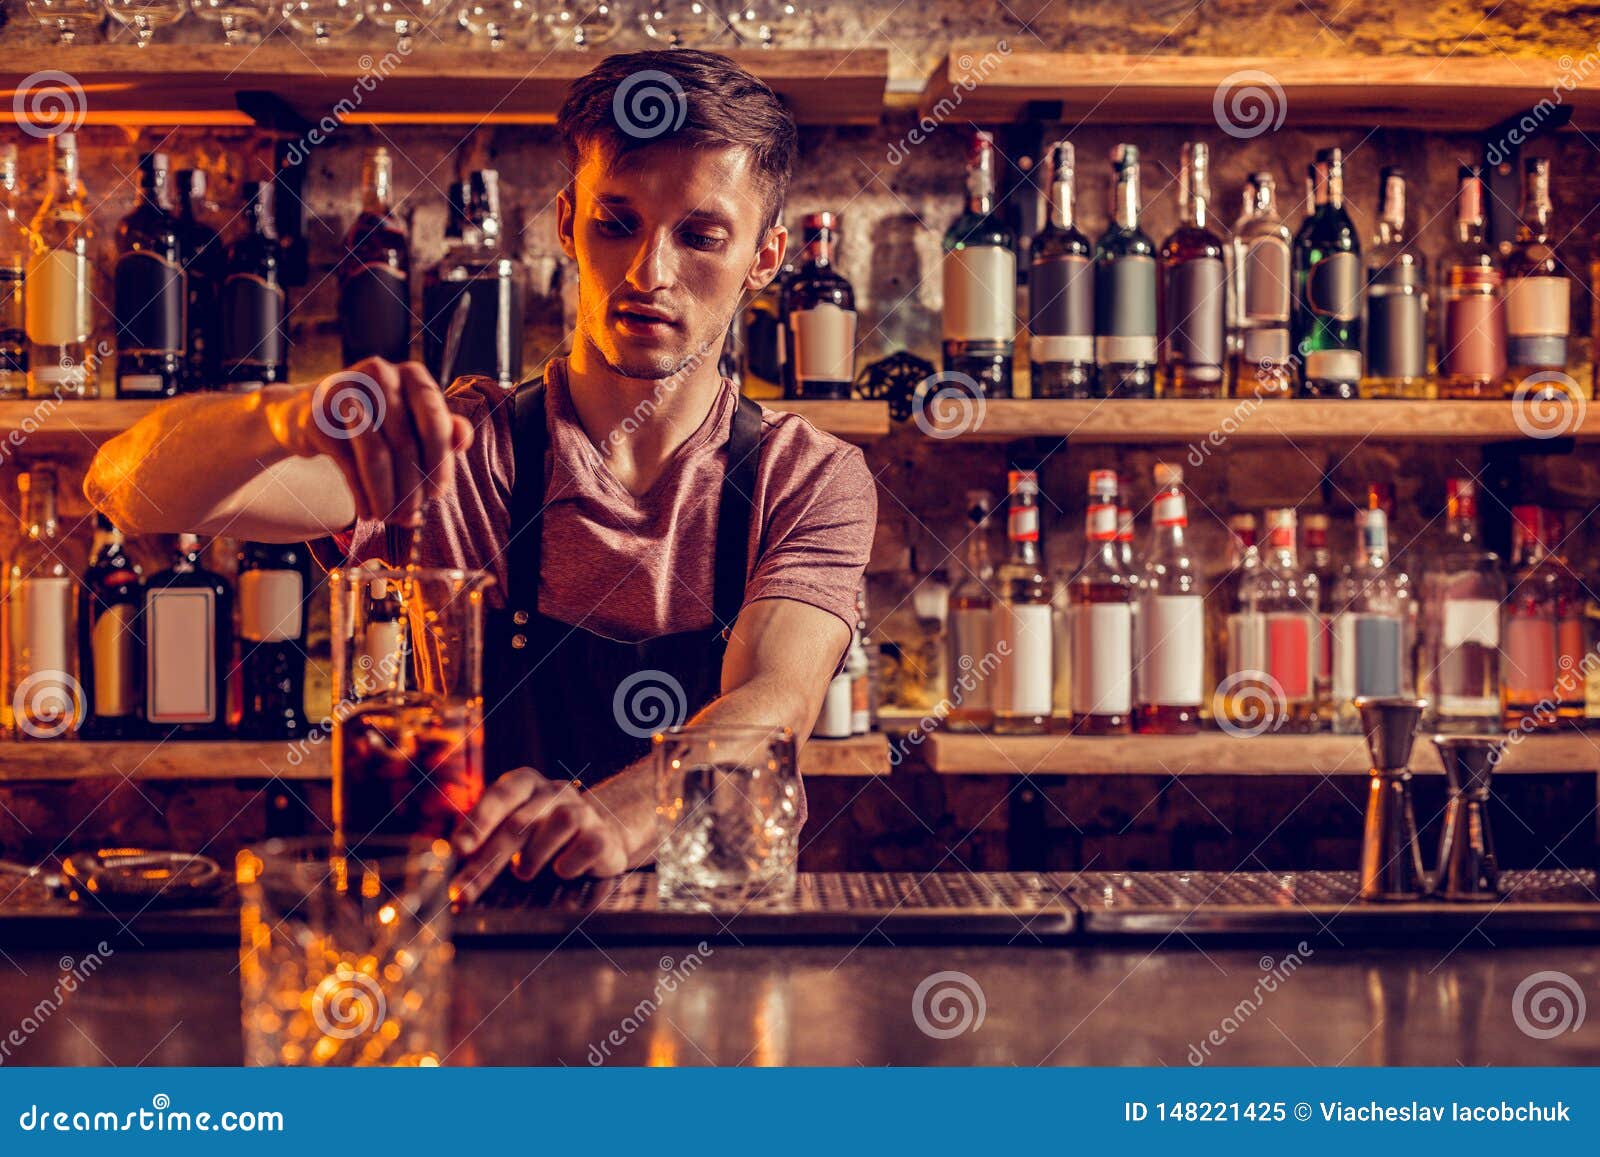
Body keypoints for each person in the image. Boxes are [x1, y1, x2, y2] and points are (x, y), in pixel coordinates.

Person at [84, 50, 876, 901]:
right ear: (566, 222)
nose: (651, 272)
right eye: (618, 222)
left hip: (707, 942)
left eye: (701, 236)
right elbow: (130, 486)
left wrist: (613, 817)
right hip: (476, 934)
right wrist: (280, 420)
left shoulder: (808, 479)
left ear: (766, 257)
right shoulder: (454, 448)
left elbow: (776, 701)